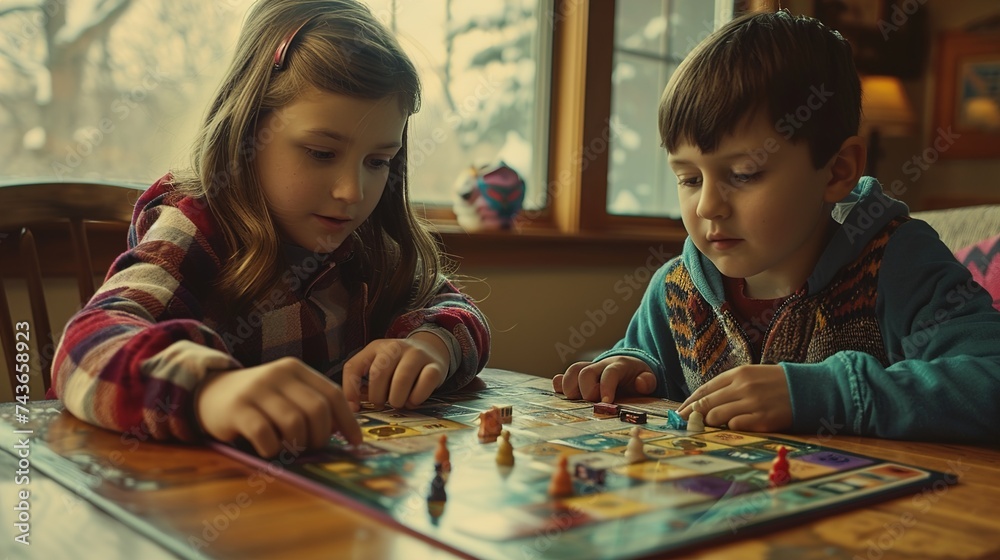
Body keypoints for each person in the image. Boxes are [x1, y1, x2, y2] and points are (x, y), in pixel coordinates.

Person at [51, 0, 491, 457]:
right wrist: (209, 391)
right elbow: (82, 351)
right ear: (248, 133)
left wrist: (431, 344)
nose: (352, 191)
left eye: (378, 161)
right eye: (321, 153)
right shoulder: (197, 232)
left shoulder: (365, 245)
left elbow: (457, 309)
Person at [553, 10, 1000, 444]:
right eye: (689, 178)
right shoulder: (675, 291)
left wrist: (825, 395)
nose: (708, 206)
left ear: (838, 170)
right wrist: (630, 368)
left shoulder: (897, 263)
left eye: (744, 174)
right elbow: (651, 374)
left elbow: (990, 379)